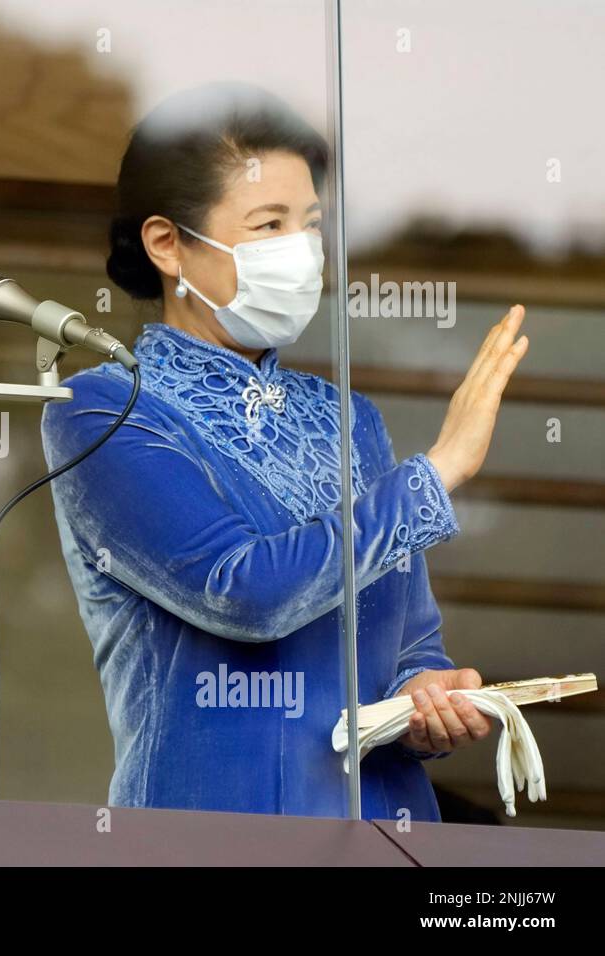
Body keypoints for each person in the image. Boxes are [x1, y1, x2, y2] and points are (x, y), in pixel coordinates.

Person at [41, 83, 528, 819]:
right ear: (167, 244)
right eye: (268, 225)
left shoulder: (349, 420)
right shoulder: (105, 410)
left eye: (311, 224)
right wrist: (439, 470)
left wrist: (424, 700)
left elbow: (412, 645)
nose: (301, 251)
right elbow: (243, 593)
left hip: (385, 831)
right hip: (215, 830)